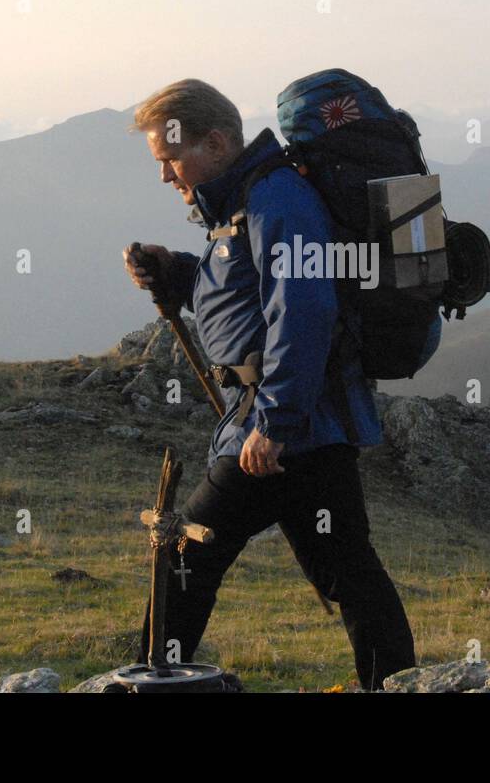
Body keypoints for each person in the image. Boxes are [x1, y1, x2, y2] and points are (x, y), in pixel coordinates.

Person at [123, 78, 415, 690]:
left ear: (218, 141)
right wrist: (176, 273)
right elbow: (248, 300)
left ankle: (148, 682)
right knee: (348, 572)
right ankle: (396, 683)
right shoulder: (246, 202)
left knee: (186, 559)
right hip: (301, 430)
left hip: (282, 433)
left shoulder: (277, 200)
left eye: (171, 159)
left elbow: (304, 311)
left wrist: (274, 423)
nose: (166, 176)